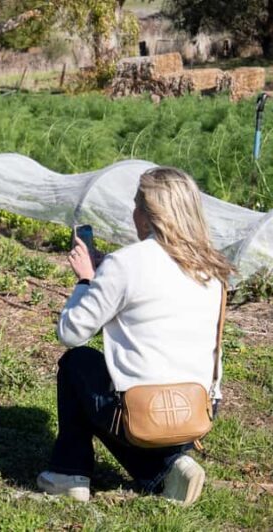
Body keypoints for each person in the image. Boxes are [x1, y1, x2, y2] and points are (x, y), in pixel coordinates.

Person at [37, 166, 234, 505]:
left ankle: (69, 473)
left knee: (78, 363)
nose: (133, 214)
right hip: (197, 409)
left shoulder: (127, 263)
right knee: (131, 398)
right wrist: (104, 276)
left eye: (136, 206)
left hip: (145, 411)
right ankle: (169, 466)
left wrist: (86, 281)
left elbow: (71, 332)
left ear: (148, 215)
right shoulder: (212, 269)